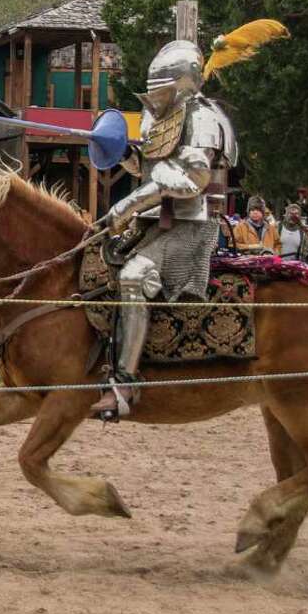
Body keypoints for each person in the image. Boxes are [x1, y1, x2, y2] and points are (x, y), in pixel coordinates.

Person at [95, 38, 237, 421]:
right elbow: (148, 166)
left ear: (183, 81)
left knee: (132, 276)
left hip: (192, 224)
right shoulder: (158, 116)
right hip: (153, 221)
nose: (156, 89)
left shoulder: (204, 117)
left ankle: (124, 385)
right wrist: (121, 152)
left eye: (163, 81)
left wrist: (127, 204)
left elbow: (191, 178)